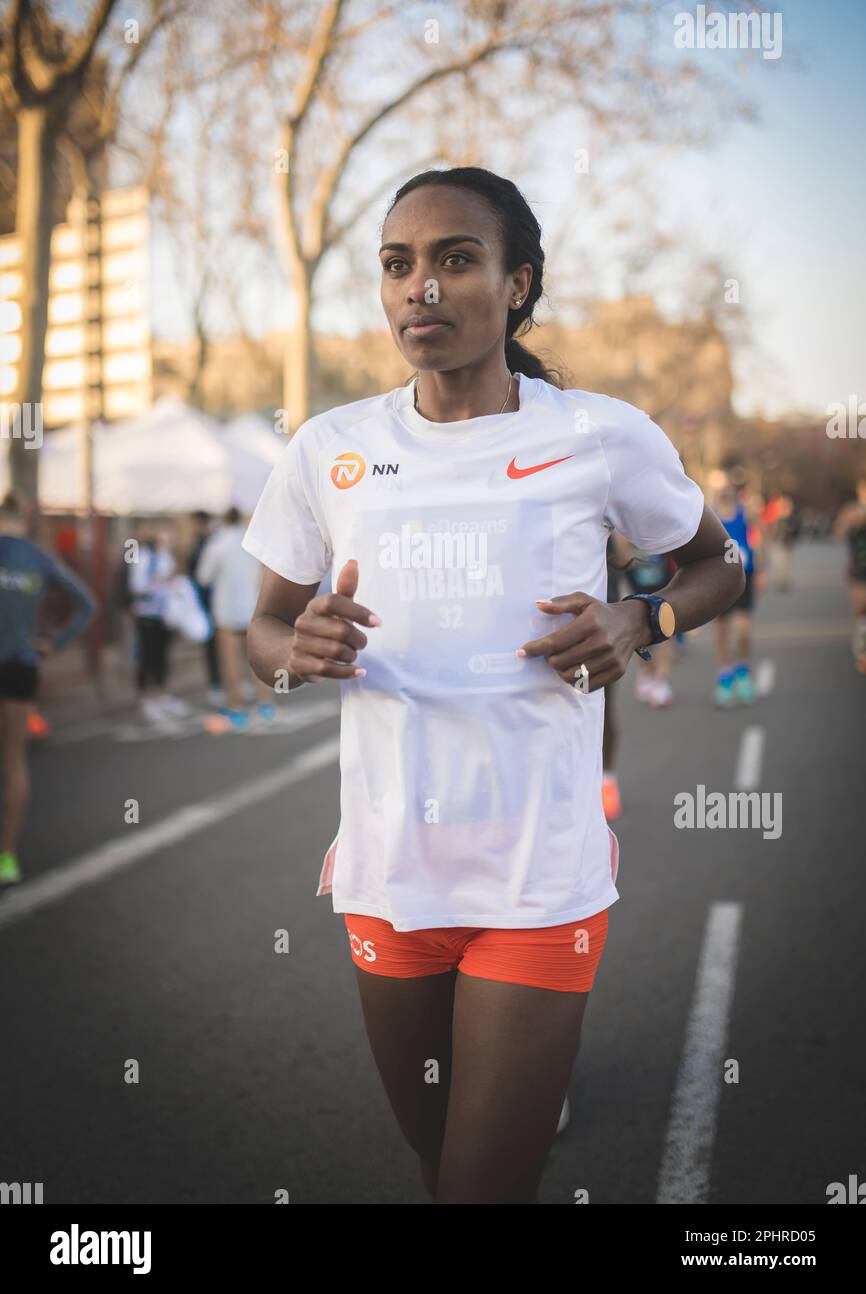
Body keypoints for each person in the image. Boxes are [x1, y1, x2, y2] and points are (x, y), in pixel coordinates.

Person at [241, 166, 743, 1205]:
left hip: (536, 878)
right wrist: (299, 651)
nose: (419, 287)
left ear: (517, 284)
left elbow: (719, 563)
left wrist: (639, 618)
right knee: (436, 1163)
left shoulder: (598, 434)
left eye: (453, 259)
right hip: (389, 876)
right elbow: (261, 629)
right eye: (397, 264)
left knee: (479, 1189)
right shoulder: (328, 449)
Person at [0, 491, 96, 885]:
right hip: (21, 667)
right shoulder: (39, 559)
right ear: (26, 519)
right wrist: (53, 643)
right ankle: (6, 857)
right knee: (14, 760)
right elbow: (87, 605)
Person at [194, 506, 275, 729]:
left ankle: (237, 708)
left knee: (230, 662)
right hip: (252, 608)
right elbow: (264, 572)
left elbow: (203, 577)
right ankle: (266, 704)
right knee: (256, 661)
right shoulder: (253, 543)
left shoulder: (216, 544)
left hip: (226, 611)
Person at [711, 473, 764, 707]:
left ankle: (743, 673)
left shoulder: (745, 511)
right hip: (720, 579)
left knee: (742, 630)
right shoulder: (709, 514)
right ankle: (724, 679)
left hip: (745, 576)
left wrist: (762, 568)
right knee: (722, 632)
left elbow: (759, 539)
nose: (724, 490)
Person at [128, 524, 190, 722]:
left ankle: (162, 696)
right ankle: (146, 699)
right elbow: (137, 586)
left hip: (164, 614)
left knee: (162, 656)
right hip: (148, 615)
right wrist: (159, 581)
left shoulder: (165, 556)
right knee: (148, 657)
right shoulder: (144, 556)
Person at [601, 530, 633, 820]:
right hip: (561, 625)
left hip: (604, 629)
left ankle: (607, 780)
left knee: (604, 709)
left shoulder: (606, 522)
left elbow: (626, 558)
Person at [626, 550, 678, 708]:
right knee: (640, 631)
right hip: (637, 584)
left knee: (665, 632)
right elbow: (622, 552)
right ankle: (646, 672)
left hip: (664, 585)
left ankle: (661, 680)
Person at [187, 511, 224, 707]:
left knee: (224, 644)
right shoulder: (199, 545)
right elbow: (199, 576)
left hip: (217, 601)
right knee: (212, 645)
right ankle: (216, 684)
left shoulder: (212, 543)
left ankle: (224, 683)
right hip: (205, 603)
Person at [833, 479, 866, 675]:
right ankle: (861, 652)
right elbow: (839, 533)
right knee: (859, 612)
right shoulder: (851, 511)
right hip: (858, 569)